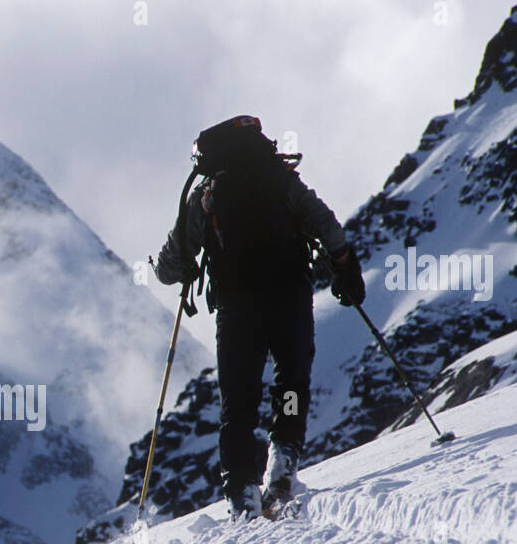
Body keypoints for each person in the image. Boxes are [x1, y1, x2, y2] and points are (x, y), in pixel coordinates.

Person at [154, 115, 365, 521]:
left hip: (237, 312)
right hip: (289, 296)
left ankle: (242, 494)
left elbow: (168, 268)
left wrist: (186, 267)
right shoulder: (281, 180)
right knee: (291, 380)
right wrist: (344, 267)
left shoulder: (206, 196)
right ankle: (283, 460)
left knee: (238, 404)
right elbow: (326, 225)